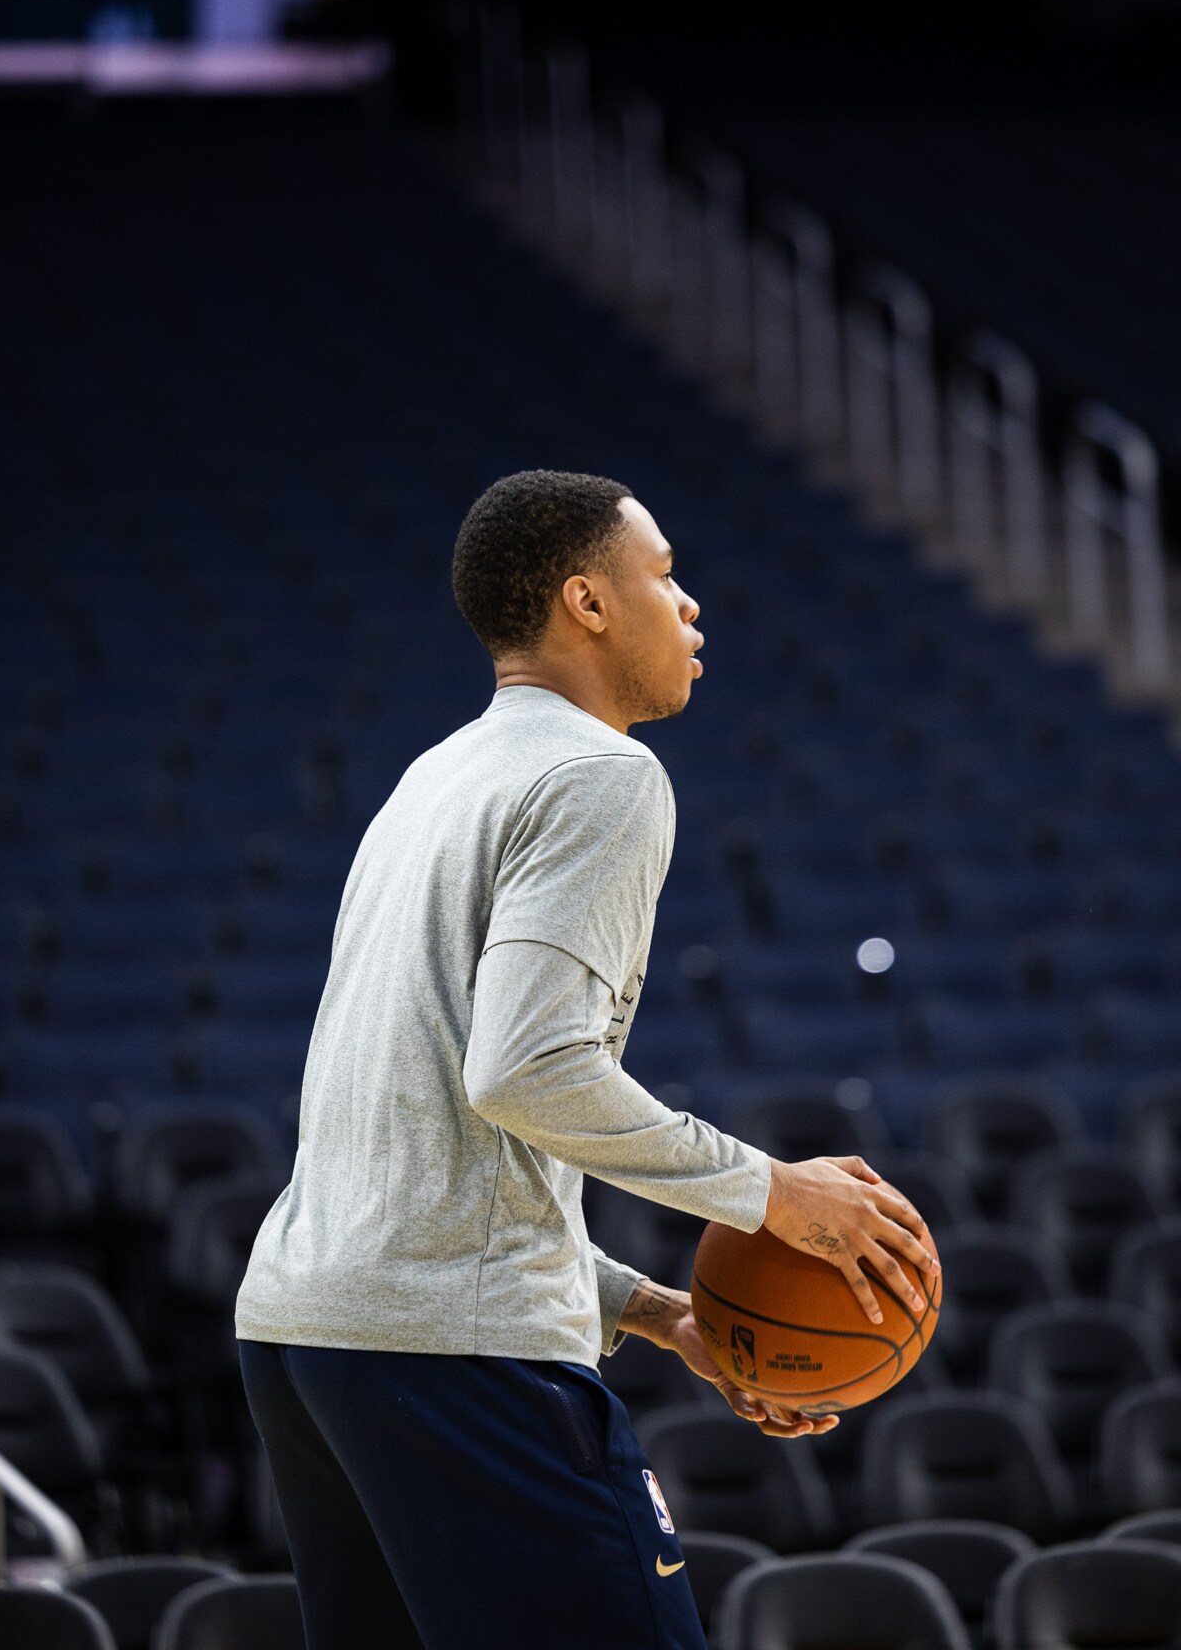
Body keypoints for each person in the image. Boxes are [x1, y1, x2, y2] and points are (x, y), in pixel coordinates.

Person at [236, 469, 938, 1650]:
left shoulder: (433, 780)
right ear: (587, 603)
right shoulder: (602, 778)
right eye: (662, 576)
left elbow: (425, 1133)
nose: (690, 605)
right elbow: (525, 1074)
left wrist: (657, 1311)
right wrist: (778, 1194)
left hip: (310, 1338)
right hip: (451, 1358)